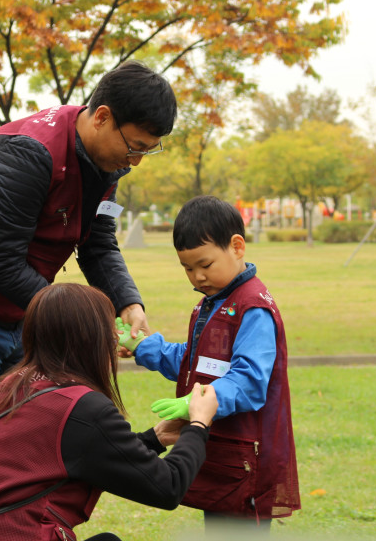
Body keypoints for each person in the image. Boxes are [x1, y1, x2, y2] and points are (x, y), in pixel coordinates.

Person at [0, 60, 176, 473]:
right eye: (136, 146)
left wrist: (128, 302)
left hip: (24, 308)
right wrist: (79, 319)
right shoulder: (28, 153)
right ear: (103, 117)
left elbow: (98, 244)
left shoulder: (108, 163)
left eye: (147, 149)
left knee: (31, 445)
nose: (137, 160)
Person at [0, 283, 219, 541]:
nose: (115, 338)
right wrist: (198, 424)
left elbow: (89, 456)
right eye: (109, 329)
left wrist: (155, 438)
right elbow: (168, 487)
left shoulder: (9, 386)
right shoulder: (81, 407)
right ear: (90, 339)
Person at [117, 195, 300, 536]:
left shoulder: (251, 308)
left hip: (246, 457)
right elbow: (194, 361)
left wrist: (197, 403)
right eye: (187, 268)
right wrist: (144, 346)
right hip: (220, 450)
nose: (197, 276)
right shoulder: (213, 302)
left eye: (205, 264)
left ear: (237, 246)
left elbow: (248, 379)